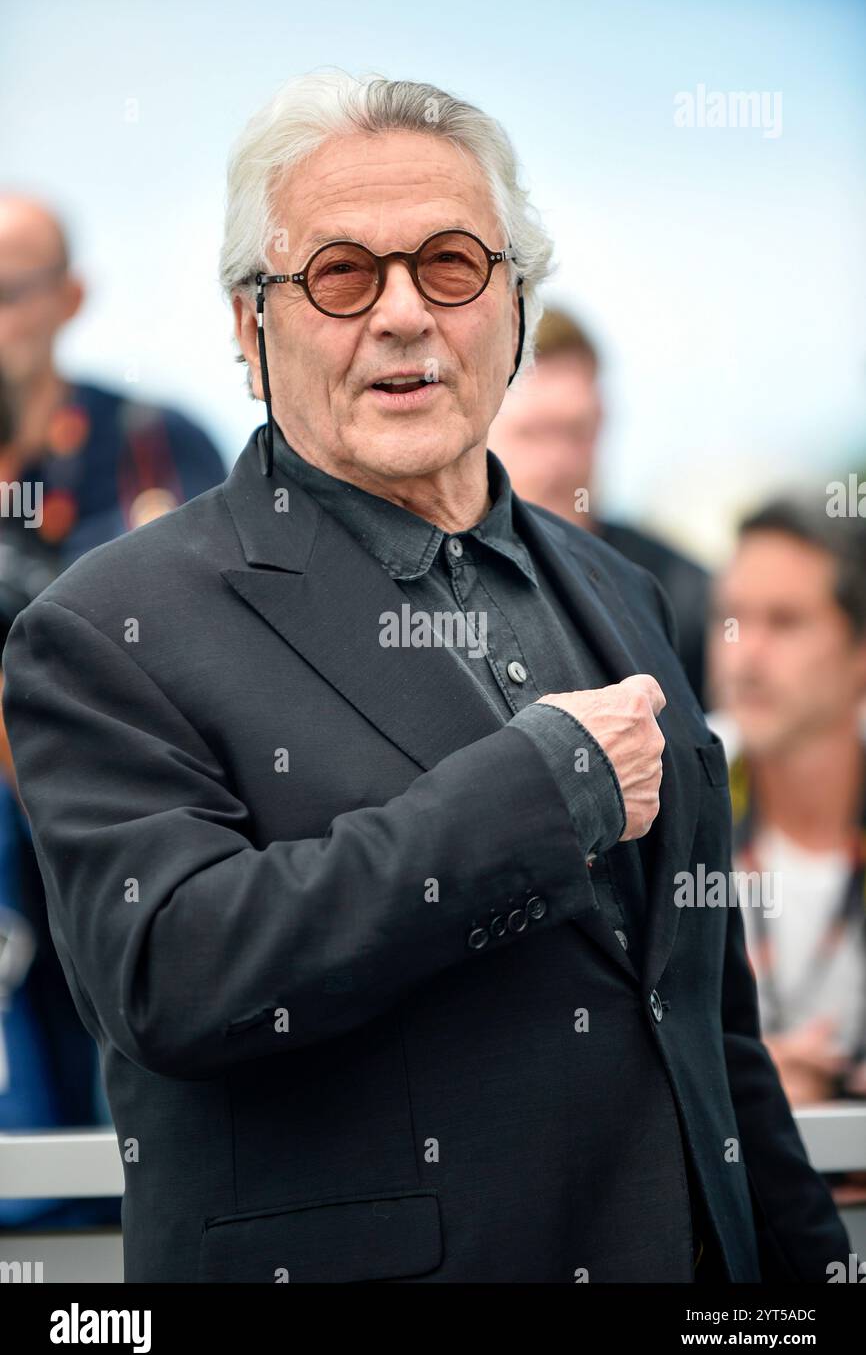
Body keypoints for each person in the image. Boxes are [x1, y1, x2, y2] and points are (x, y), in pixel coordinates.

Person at [1, 71, 850, 1283]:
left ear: (513, 304)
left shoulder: (621, 594)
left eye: (450, 265)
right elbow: (172, 978)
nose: (402, 314)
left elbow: (706, 1026)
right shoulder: (110, 624)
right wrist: (534, 792)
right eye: (340, 274)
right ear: (251, 326)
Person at [0, 194, 226, 1228]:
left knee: (145, 1163)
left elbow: (232, 637)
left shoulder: (154, 447)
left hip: (128, 834)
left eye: (6, 292)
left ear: (69, 298)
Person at [707, 499, 866, 1201]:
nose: (746, 654)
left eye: (787, 622)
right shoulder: (660, 804)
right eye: (731, 620)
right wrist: (744, 1076)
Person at [487, 308, 711, 707]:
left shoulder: (680, 595)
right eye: (534, 434)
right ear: (482, 429)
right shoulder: (444, 597)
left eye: (577, 430)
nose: (561, 461)